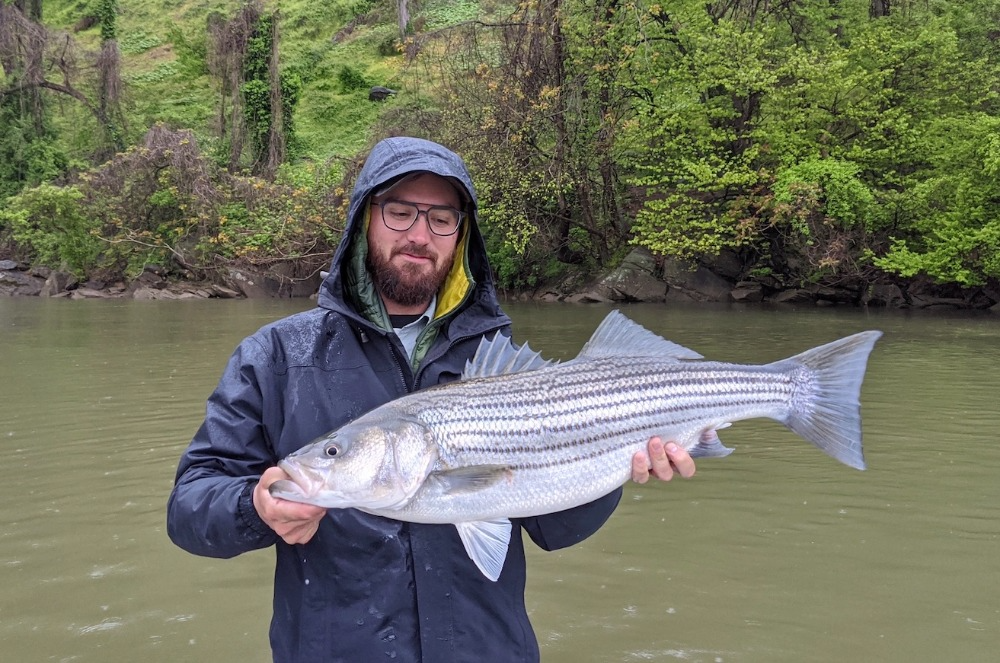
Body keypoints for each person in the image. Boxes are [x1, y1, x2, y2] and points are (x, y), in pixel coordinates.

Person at [166, 136, 696, 663]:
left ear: (461, 235)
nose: (421, 234)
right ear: (362, 220)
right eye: (399, 212)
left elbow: (555, 530)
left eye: (442, 219)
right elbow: (189, 506)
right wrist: (255, 508)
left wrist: (614, 462)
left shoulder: (498, 359)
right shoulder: (276, 357)